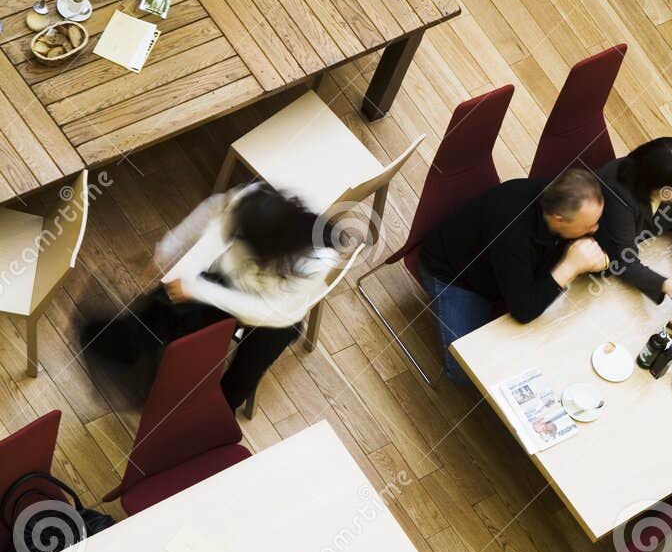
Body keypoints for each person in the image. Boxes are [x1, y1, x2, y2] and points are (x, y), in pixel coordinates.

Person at [79, 183, 352, 411]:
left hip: (276, 317)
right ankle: (131, 348)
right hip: (230, 282)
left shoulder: (317, 260)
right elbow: (212, 226)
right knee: (162, 308)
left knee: (238, 384)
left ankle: (211, 417)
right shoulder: (253, 203)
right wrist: (169, 255)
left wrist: (197, 290)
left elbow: (265, 311)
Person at [417, 168, 609, 384]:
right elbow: (524, 311)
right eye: (588, 226)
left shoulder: (562, 197)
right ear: (559, 219)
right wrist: (570, 266)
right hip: (455, 276)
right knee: (467, 372)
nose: (595, 229)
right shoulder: (513, 234)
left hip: (503, 274)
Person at [595, 137, 672, 308]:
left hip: (649, 248)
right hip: (599, 250)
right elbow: (624, 262)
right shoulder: (617, 193)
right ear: (651, 184)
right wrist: (671, 286)